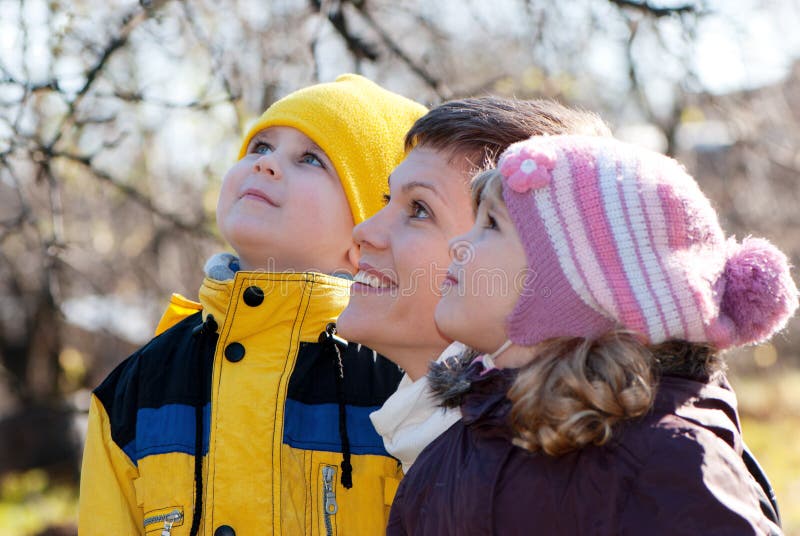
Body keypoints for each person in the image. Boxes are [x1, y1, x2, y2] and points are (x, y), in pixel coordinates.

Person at [388, 134, 797, 535]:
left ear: (584, 291)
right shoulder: (442, 464)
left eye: (491, 223)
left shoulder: (670, 469)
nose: (459, 243)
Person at [78, 74, 427, 536]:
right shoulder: (136, 389)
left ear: (366, 234)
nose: (267, 164)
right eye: (260, 146)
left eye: (311, 159)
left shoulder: (404, 386)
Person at [337, 97, 612, 472]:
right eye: (388, 199)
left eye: (420, 209)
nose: (364, 231)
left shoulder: (551, 472)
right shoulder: (432, 443)